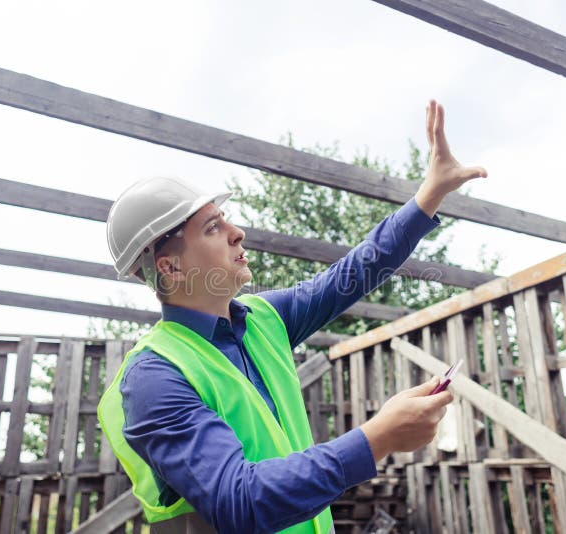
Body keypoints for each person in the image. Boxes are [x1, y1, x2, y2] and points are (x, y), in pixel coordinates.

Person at [98, 100, 487, 533]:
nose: (237, 233)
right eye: (212, 228)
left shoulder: (265, 320)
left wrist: (429, 194)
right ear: (170, 267)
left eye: (225, 220)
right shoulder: (153, 377)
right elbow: (239, 501)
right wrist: (377, 438)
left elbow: (354, 272)